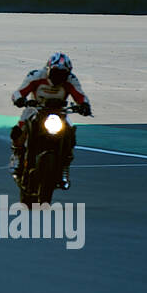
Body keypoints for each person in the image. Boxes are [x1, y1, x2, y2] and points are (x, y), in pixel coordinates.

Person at [9, 52, 92, 190]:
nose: (59, 76)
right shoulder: (35, 76)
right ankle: (17, 157)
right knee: (19, 128)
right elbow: (18, 92)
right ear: (48, 69)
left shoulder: (71, 80)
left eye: (62, 73)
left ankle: (65, 167)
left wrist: (84, 106)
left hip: (59, 112)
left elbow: (81, 95)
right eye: (56, 72)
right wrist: (20, 100)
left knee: (71, 131)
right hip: (36, 109)